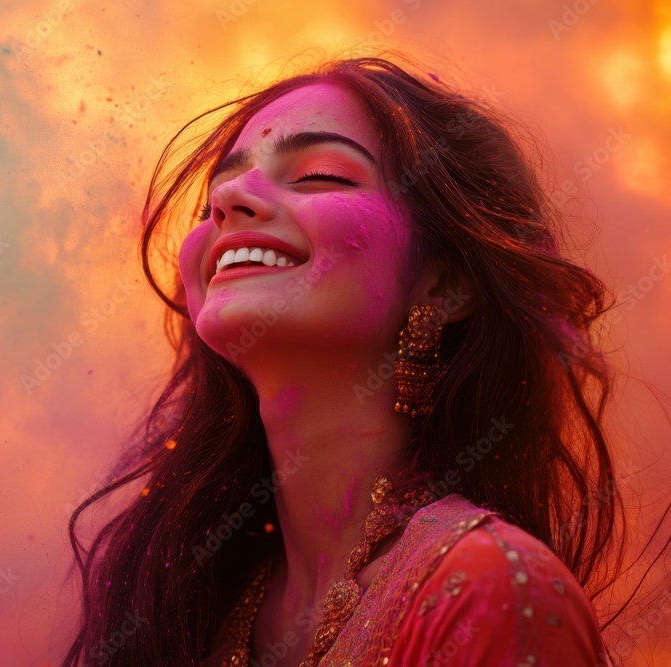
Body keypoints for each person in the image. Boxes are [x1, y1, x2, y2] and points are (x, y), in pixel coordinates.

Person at [61, 54, 667, 666]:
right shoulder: (187, 606)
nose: (227, 198)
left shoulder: (492, 591)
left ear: (445, 282)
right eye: (216, 194)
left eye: (319, 175)